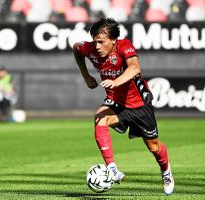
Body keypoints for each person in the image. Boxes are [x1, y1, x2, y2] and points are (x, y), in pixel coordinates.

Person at [73, 18, 174, 195]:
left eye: (101, 42)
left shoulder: (124, 46)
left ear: (113, 40)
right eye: (95, 41)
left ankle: (166, 171)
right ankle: (112, 170)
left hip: (139, 104)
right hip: (116, 102)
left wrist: (116, 81)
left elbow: (134, 67)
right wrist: (85, 75)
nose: (96, 46)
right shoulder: (89, 49)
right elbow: (76, 48)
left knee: (154, 147)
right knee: (100, 118)